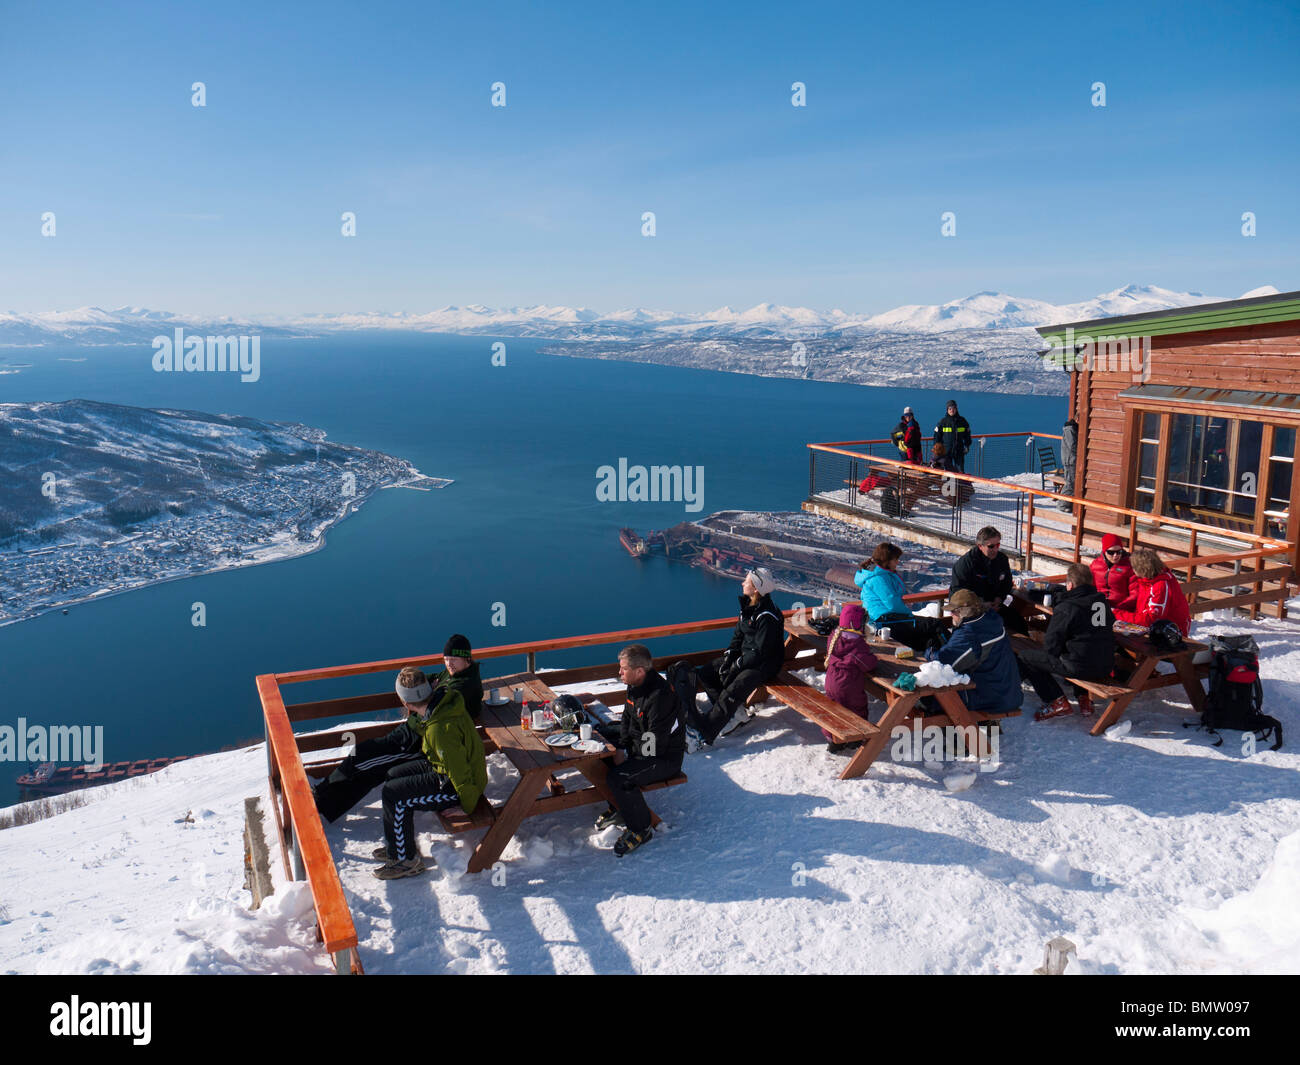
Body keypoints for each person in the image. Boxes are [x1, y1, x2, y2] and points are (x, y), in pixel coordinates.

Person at [313, 634, 483, 824]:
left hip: (416, 742)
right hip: (410, 732)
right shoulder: (454, 674)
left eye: (454, 659)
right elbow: (429, 680)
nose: (449, 664)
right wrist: (428, 688)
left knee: (364, 760)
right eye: (446, 658)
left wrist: (428, 690)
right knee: (368, 760)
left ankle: (321, 800)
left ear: (467, 658)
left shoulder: (462, 685)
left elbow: (436, 713)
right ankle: (324, 800)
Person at [371, 664, 488, 879]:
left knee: (394, 795)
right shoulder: (442, 701)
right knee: (393, 776)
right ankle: (398, 848)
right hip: (442, 767)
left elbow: (459, 770)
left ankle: (406, 860)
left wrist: (468, 805)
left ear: (406, 702)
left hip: (457, 784)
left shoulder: (439, 729)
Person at [592, 645, 686, 857]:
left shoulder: (660, 697)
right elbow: (627, 718)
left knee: (620, 777)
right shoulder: (635, 685)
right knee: (601, 743)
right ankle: (620, 806)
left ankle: (640, 829)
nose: (619, 673)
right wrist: (621, 746)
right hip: (643, 744)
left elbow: (653, 744)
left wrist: (626, 753)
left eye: (623, 669)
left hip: (662, 758)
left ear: (640, 670)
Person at [678, 567, 786, 750]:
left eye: (747, 581)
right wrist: (729, 658)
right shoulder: (749, 608)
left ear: (756, 589)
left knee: (735, 688)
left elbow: (760, 652)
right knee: (707, 672)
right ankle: (735, 714)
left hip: (764, 665)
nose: (742, 583)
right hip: (747, 658)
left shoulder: (767, 615)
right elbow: (738, 637)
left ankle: (704, 734)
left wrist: (737, 665)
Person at [1014, 563, 1116, 721]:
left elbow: (1051, 647)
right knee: (1080, 648)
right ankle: (1083, 698)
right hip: (1105, 664)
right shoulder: (1101, 602)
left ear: (1070, 585)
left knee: (1026, 657)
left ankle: (1056, 700)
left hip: (1080, 666)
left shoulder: (1067, 607)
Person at [926, 589, 1022, 715]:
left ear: (963, 612)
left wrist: (930, 652)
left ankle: (960, 733)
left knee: (935, 698)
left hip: (993, 697)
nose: (951, 614)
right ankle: (986, 730)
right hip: (1008, 691)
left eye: (953, 611)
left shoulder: (969, 634)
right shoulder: (990, 620)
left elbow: (945, 664)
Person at [854, 542, 946, 653]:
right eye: (895, 559)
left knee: (927, 636)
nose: (898, 562)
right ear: (886, 560)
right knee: (935, 625)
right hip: (885, 619)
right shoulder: (878, 578)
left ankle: (940, 658)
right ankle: (953, 655)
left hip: (886, 618)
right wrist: (909, 615)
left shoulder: (877, 573)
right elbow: (892, 602)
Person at [821, 601, 879, 752]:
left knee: (834, 709)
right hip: (848, 685)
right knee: (857, 708)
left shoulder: (834, 636)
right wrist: (873, 657)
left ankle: (832, 739)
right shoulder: (857, 644)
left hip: (831, 681)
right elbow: (868, 664)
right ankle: (855, 737)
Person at [951, 526, 1027, 636]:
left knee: (1019, 623)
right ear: (980, 546)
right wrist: (980, 605)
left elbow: (1007, 583)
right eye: (991, 546)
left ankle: (1024, 649)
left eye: (998, 545)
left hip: (994, 607)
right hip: (971, 612)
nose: (995, 549)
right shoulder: (965, 564)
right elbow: (957, 593)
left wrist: (999, 598)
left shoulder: (1001, 559)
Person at [1116, 548, 1191, 636]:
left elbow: (1152, 619)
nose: (1133, 570)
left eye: (1134, 567)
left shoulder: (1161, 585)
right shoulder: (1146, 580)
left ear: (1142, 569)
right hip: (1152, 628)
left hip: (1171, 632)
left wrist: (1117, 614)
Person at [1090, 534, 1136, 610]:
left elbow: (1134, 594)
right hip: (1098, 606)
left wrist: (1120, 608)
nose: (1115, 555)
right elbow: (1089, 587)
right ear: (1104, 551)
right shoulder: (1095, 565)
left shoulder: (1129, 567)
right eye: (1111, 552)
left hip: (1120, 608)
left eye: (1119, 552)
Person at [934, 400, 971, 472]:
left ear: (956, 409)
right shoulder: (943, 422)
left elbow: (967, 435)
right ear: (947, 410)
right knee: (947, 472)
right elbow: (937, 436)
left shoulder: (962, 421)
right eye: (950, 408)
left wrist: (967, 446)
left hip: (959, 450)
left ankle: (960, 483)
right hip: (946, 451)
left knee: (960, 472)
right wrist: (937, 449)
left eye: (953, 408)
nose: (952, 410)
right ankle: (948, 483)